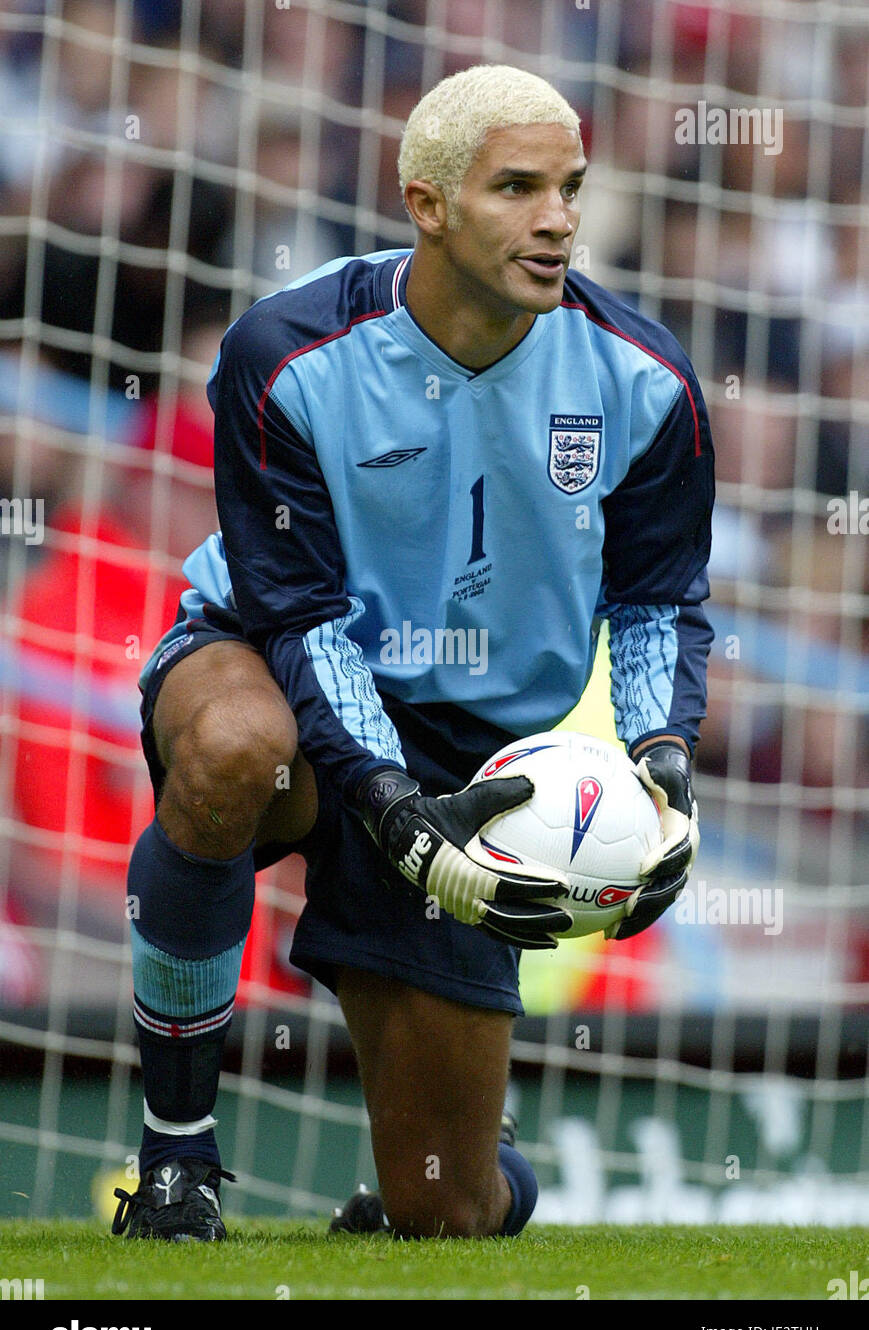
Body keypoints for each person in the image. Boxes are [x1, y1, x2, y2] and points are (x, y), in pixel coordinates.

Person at [111, 64, 713, 1243]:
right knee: (237, 748)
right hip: (271, 657)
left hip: (471, 746)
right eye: (517, 188)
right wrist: (383, 804)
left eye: (570, 189)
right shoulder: (281, 354)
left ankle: (487, 1162)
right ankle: (175, 1159)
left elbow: (653, 604)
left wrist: (659, 756)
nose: (557, 219)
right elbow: (298, 617)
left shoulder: (645, 384)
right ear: (426, 203)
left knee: (449, 1211)